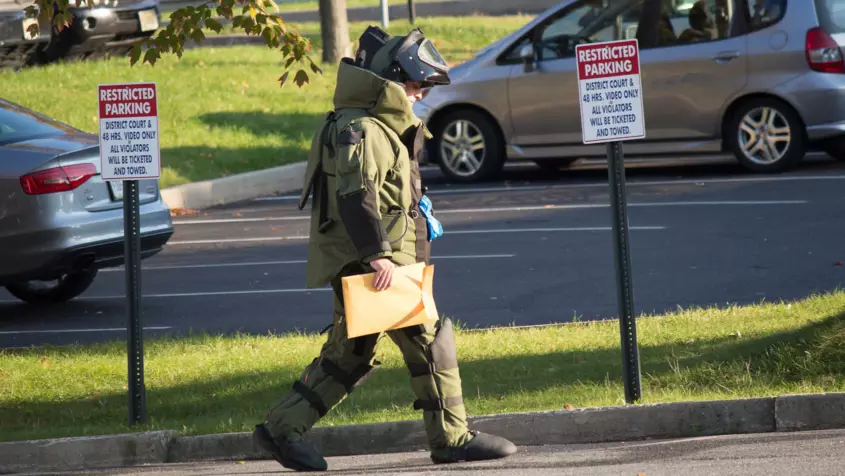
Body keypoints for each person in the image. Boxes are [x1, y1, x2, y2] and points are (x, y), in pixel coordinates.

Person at [251, 25, 518, 472]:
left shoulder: (371, 124)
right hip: (376, 264)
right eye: (414, 86)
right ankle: (451, 438)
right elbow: (356, 196)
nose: (417, 96)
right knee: (432, 342)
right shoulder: (363, 128)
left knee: (349, 353)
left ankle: (280, 430)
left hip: (377, 262)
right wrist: (379, 256)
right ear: (392, 80)